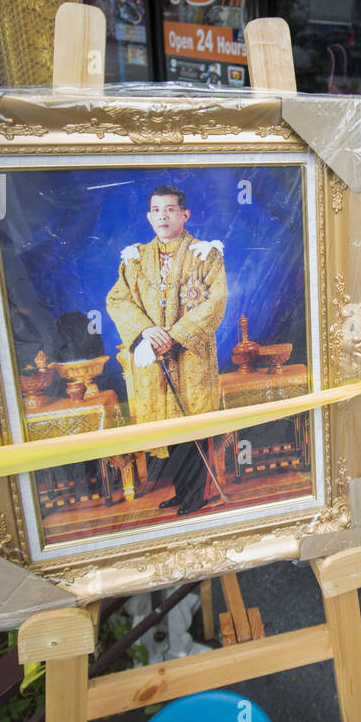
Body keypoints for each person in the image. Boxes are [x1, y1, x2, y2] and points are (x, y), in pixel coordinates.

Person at [107, 185, 228, 513]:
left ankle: (196, 495)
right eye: (157, 210)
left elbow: (215, 302)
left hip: (191, 358)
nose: (163, 215)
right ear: (149, 216)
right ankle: (182, 490)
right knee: (169, 425)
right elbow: (118, 299)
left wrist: (173, 336)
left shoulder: (205, 254)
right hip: (154, 355)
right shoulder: (134, 259)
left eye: (170, 209)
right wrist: (146, 331)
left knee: (194, 423)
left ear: (184, 214)